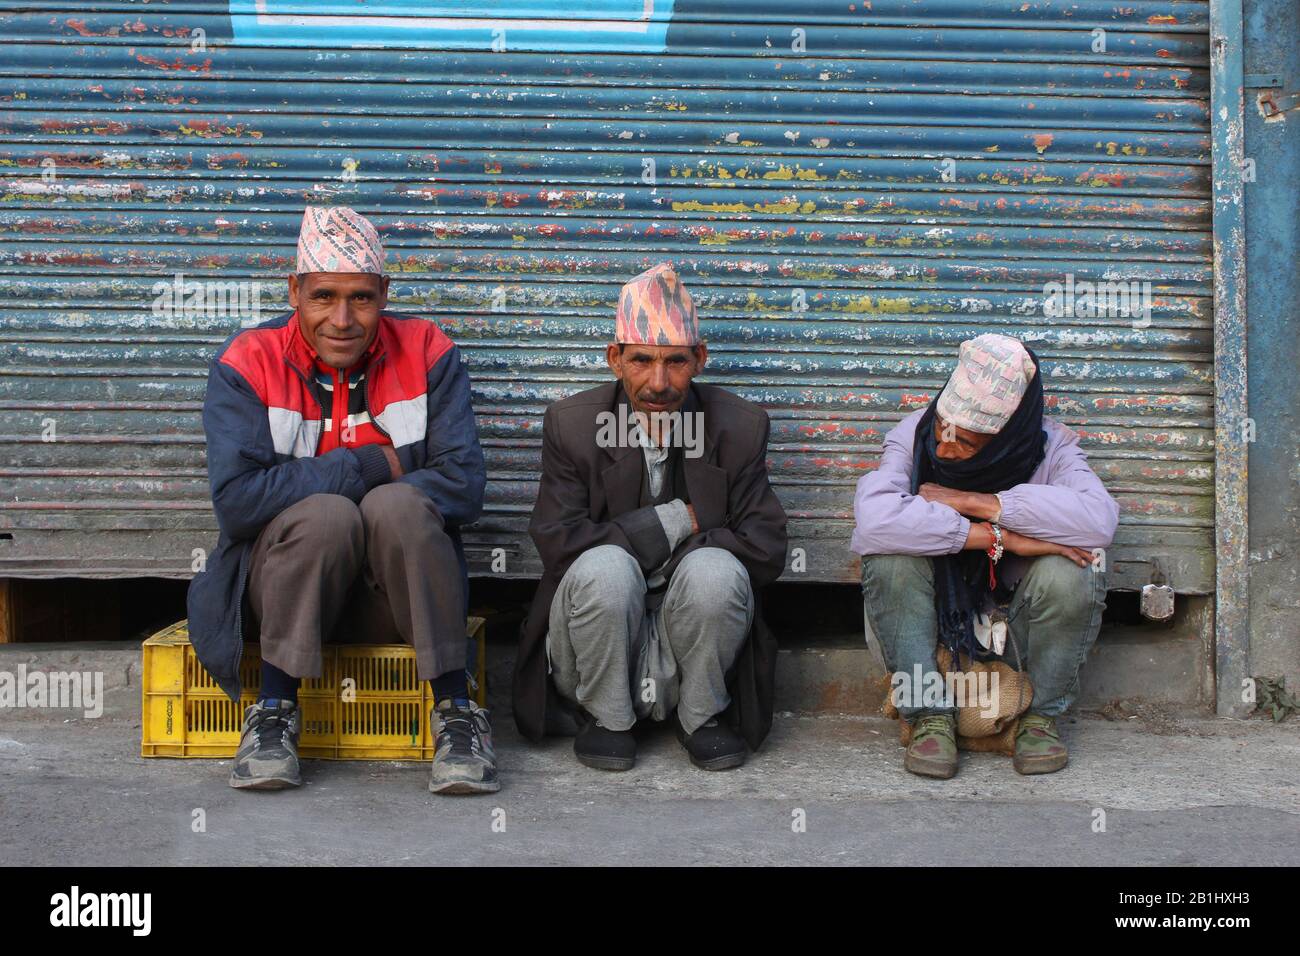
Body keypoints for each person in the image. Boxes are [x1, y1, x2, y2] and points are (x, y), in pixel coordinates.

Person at [186, 206, 496, 794]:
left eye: (361, 299)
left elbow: (465, 485)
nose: (342, 319)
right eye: (323, 296)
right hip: (279, 599)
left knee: (398, 509)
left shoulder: (428, 350)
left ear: (385, 293)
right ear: (295, 291)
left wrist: (368, 500)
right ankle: (274, 711)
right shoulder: (247, 362)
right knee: (329, 516)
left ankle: (457, 711)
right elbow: (237, 504)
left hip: (396, 598)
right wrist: (370, 466)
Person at [514, 263, 788, 771]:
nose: (658, 383)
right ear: (615, 359)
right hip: (598, 639)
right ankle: (607, 717)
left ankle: (701, 716)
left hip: (694, 643)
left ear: (700, 360)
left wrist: (681, 560)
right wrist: (678, 520)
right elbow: (558, 542)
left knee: (715, 573)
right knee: (605, 570)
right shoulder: (573, 426)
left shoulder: (739, 427)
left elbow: (766, 547)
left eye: (676, 362)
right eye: (641, 360)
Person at [852, 333, 1118, 778]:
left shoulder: (1051, 448)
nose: (944, 450)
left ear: (1007, 437)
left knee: (1076, 569)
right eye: (942, 431)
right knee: (890, 558)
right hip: (932, 641)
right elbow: (876, 522)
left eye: (968, 445)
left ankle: (1039, 718)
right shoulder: (913, 434)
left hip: (1013, 639)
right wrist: (1000, 539)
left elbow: (1098, 522)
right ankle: (929, 716)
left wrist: (983, 502)